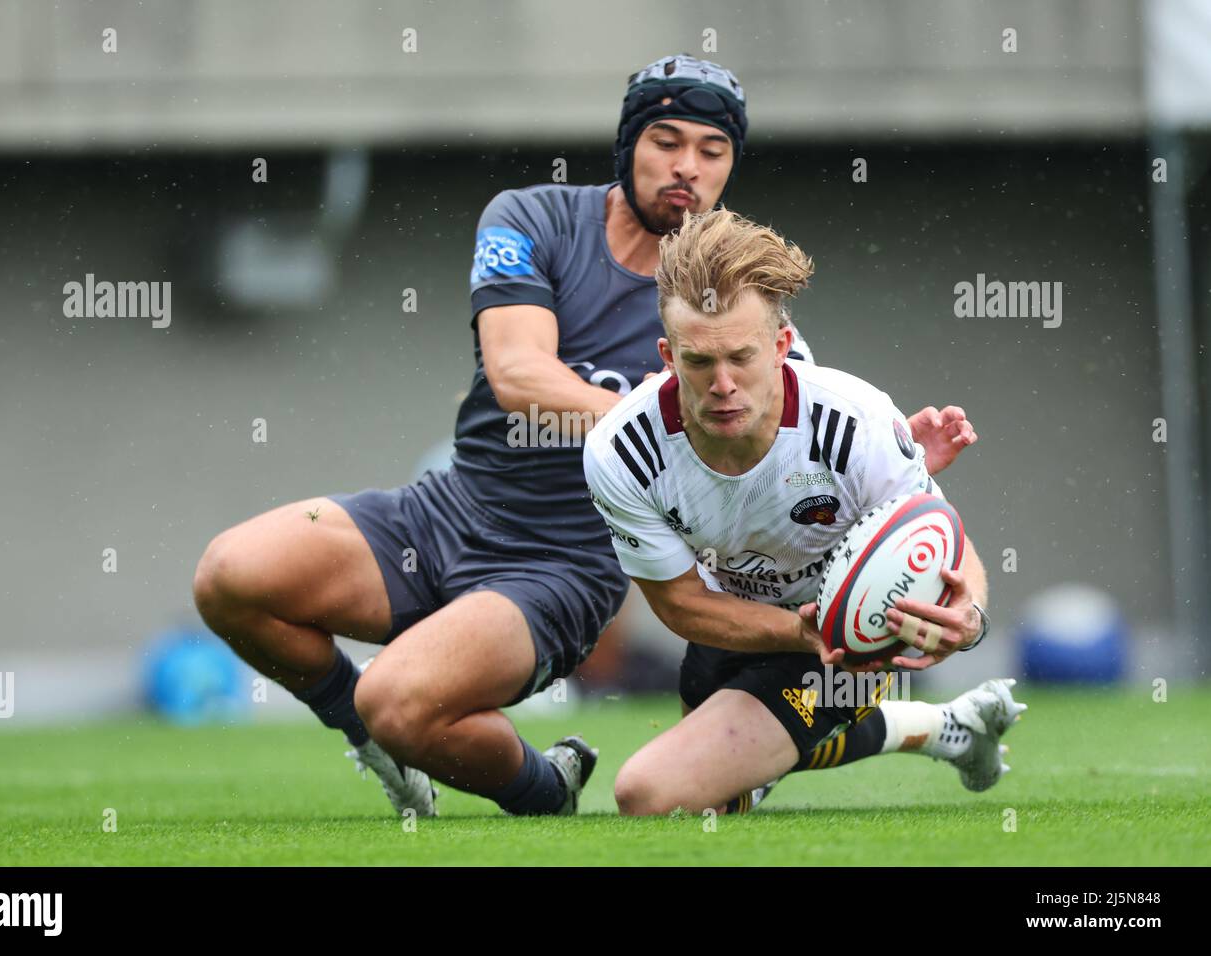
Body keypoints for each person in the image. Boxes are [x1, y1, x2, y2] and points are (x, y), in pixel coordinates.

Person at [192, 54, 976, 818]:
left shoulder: (725, 300)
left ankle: (545, 786)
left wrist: (865, 453)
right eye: (666, 142)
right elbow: (518, 374)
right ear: (626, 145)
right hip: (450, 509)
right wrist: (663, 410)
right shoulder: (530, 218)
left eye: (712, 151)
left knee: (401, 698)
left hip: (565, 566)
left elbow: (784, 428)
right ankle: (373, 743)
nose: (687, 168)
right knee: (230, 577)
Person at [582, 207, 1025, 815]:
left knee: (651, 795)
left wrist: (969, 614)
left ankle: (905, 718)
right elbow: (680, 603)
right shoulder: (622, 450)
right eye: (699, 362)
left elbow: (939, 530)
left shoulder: (857, 420)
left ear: (782, 346)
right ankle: (948, 725)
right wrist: (800, 630)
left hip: (855, 644)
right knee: (725, 798)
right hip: (734, 623)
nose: (723, 383)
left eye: (741, 356)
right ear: (667, 355)